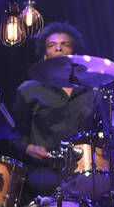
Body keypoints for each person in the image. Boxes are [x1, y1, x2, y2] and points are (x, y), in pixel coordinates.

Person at [11, 22, 106, 196]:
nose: (59, 48)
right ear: (45, 57)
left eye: (65, 44)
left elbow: (103, 133)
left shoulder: (92, 92)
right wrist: (28, 148)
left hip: (83, 168)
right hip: (43, 170)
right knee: (44, 184)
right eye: (52, 45)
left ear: (75, 54)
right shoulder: (28, 90)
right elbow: (14, 135)